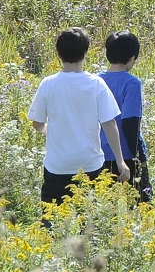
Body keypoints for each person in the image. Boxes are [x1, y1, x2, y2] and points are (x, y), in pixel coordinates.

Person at [28, 28, 130, 205]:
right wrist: (120, 161)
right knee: (88, 220)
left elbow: (37, 123)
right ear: (85, 53)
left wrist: (50, 131)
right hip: (89, 164)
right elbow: (109, 124)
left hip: (57, 165)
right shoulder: (96, 84)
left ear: (58, 54)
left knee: (51, 220)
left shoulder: (48, 84)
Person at [99, 31, 153, 202]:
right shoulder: (132, 83)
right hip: (126, 156)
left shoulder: (96, 80)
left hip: (98, 154)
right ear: (132, 57)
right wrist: (139, 155)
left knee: (106, 209)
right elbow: (130, 123)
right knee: (139, 205)